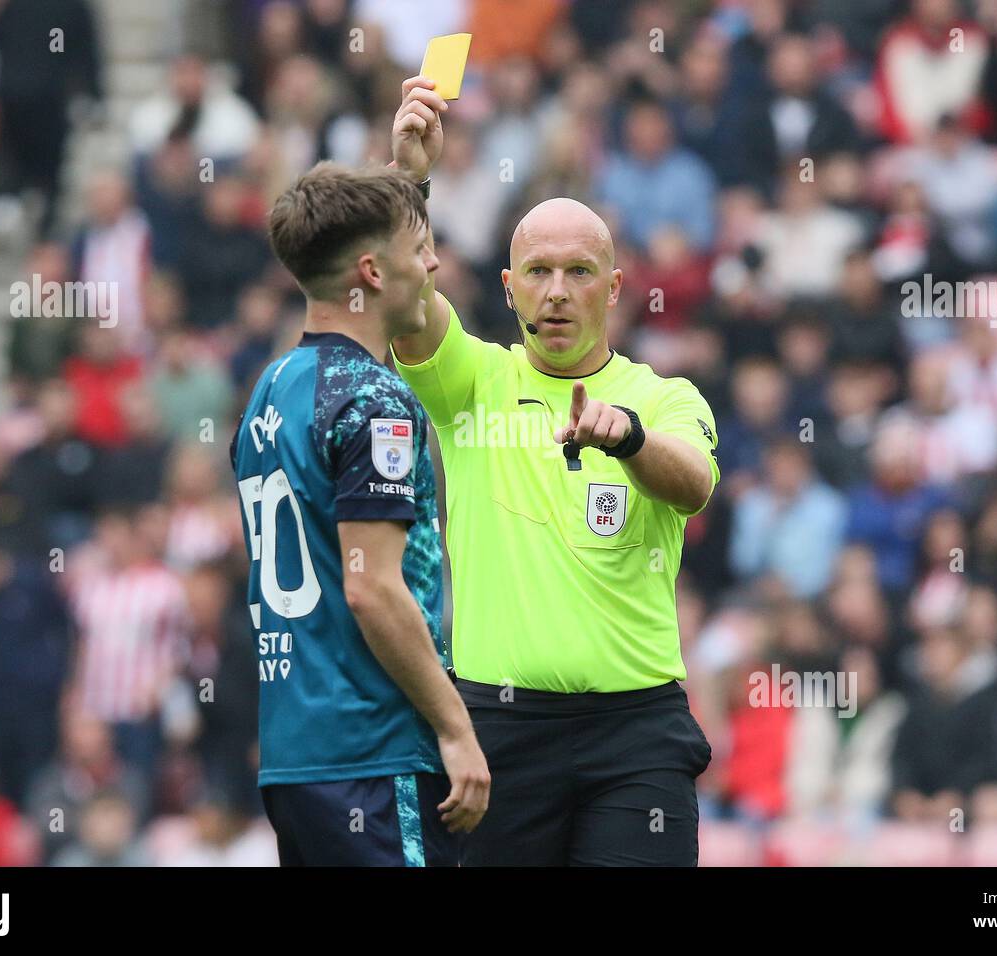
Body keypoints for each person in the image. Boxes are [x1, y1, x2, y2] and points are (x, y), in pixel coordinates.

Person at [388, 76, 719, 866]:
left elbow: (694, 483)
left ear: (614, 287)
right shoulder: (472, 383)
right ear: (508, 289)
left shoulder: (662, 396)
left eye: (579, 273)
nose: (558, 293)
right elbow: (400, 297)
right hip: (500, 734)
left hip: (636, 737)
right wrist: (409, 181)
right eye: (537, 272)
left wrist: (632, 441)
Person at [231, 162, 489, 866]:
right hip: (375, 752)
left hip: (297, 755)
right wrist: (456, 726)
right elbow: (371, 586)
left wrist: (408, 174)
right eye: (419, 249)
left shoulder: (272, 389)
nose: (434, 262)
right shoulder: (373, 402)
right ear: (372, 272)